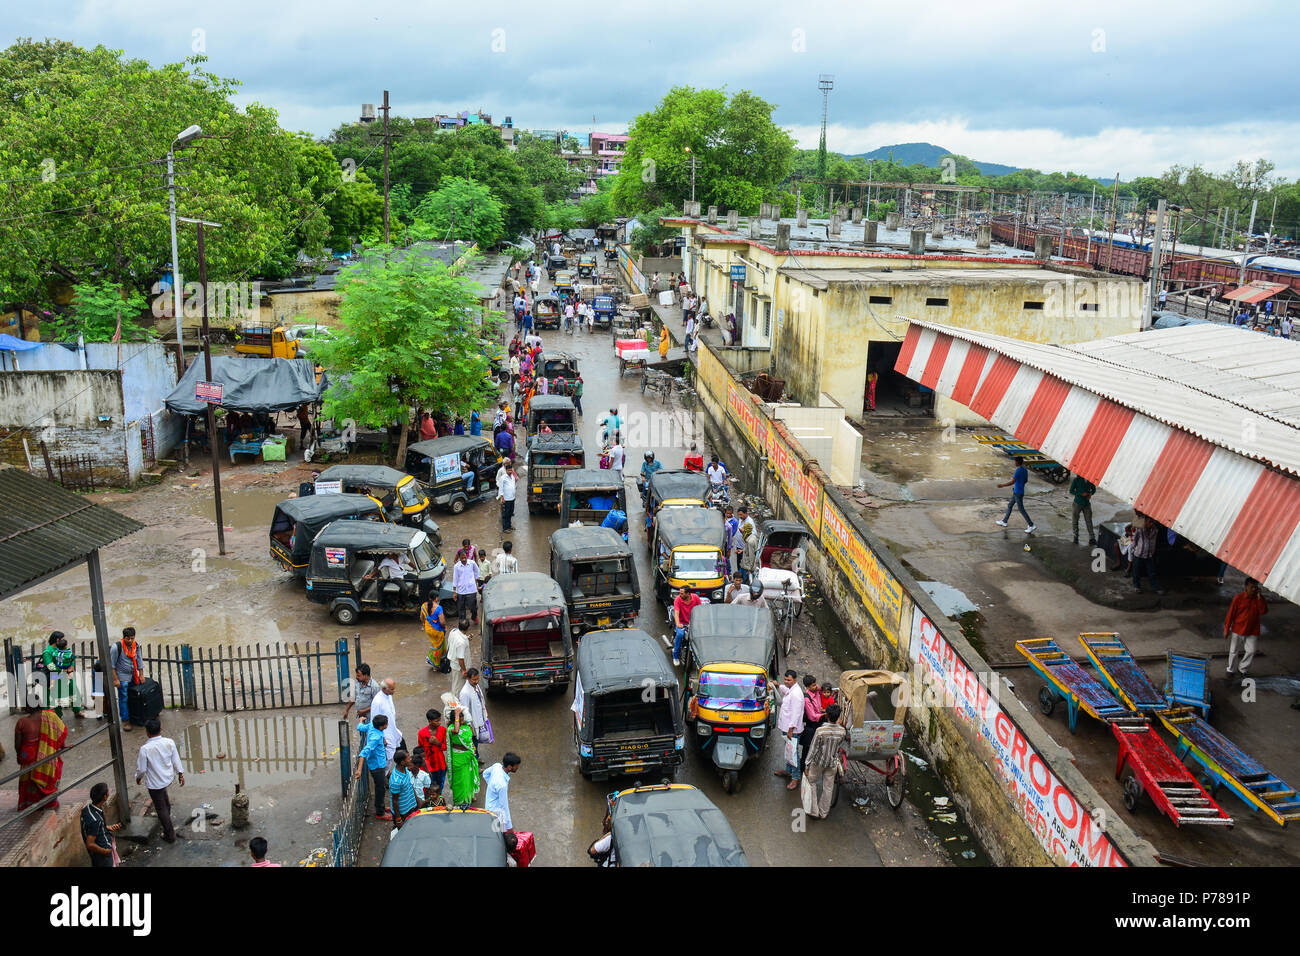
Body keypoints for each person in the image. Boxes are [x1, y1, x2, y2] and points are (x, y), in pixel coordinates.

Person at [136, 718, 184, 842]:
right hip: (167, 777)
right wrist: (180, 773)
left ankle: (169, 834)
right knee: (164, 800)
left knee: (160, 807)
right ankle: (166, 817)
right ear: (161, 729)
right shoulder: (169, 742)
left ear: (147, 732)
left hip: (155, 783)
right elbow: (176, 760)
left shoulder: (145, 749)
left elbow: (141, 769)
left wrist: (138, 778)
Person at [15, 704, 66, 810]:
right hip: (48, 757)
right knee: (46, 782)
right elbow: (61, 731)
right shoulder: (51, 716)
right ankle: (48, 803)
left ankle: (29, 805)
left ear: (28, 707)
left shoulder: (22, 722)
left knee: (29, 783)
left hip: (28, 758)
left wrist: (19, 756)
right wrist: (60, 745)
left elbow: (17, 744)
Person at [802, 704, 848, 819]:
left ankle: (814, 812)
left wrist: (807, 765)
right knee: (828, 787)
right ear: (838, 717)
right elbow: (840, 746)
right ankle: (823, 812)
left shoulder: (820, 730)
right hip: (832, 762)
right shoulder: (842, 731)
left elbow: (813, 749)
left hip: (818, 762)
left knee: (812, 783)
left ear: (826, 715)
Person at [1224, 578, 1268, 683]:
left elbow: (1263, 611)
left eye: (1255, 587)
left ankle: (1243, 669)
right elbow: (1231, 614)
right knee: (1233, 651)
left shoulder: (1258, 599)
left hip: (1253, 630)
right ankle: (1231, 670)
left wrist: (1259, 597)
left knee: (1251, 651)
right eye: (1251, 587)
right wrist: (1227, 629)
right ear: (1246, 587)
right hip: (1238, 628)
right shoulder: (1238, 598)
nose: (1253, 589)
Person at [444, 696, 480, 808]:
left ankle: (469, 796)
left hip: (468, 757)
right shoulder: (451, 729)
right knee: (460, 781)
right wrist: (456, 715)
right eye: (459, 717)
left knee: (468, 778)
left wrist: (473, 751)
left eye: (462, 716)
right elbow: (456, 730)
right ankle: (460, 801)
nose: (461, 718)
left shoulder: (466, 727)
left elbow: (471, 740)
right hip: (458, 759)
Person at [354, 713, 391, 820]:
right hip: (377, 766)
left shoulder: (371, 725)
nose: (387, 724)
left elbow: (360, 727)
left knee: (382, 786)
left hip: (377, 762)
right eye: (386, 723)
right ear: (381, 726)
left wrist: (361, 720)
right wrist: (359, 770)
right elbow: (363, 753)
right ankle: (380, 812)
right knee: (380, 789)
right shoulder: (375, 737)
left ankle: (381, 807)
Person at [774, 670, 805, 789]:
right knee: (788, 751)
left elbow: (796, 714)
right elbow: (785, 690)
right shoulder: (791, 689)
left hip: (792, 730)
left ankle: (795, 778)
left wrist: (791, 729)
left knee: (793, 754)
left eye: (789, 680)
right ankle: (788, 771)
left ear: (795, 680)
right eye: (785, 679)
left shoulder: (796, 694)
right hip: (786, 727)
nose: (786, 682)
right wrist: (778, 685)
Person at [110, 626, 143, 731]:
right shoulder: (116, 647)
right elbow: (112, 665)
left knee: (134, 696)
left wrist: (141, 674)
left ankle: (134, 716)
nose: (130, 641)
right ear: (124, 637)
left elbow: (139, 661)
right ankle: (125, 720)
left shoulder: (136, 646)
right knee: (123, 698)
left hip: (133, 675)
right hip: (122, 677)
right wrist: (116, 679)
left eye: (132, 638)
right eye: (128, 638)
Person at [82, 782, 120, 867]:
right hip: (102, 855)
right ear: (105, 797)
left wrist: (107, 828)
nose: (109, 793)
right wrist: (105, 851)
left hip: (97, 854)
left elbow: (91, 828)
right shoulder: (96, 820)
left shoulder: (87, 809)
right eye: (107, 792)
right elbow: (90, 844)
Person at [994, 456, 1036, 534]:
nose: (1014, 463)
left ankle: (1031, 525)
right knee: (1010, 505)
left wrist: (1002, 485)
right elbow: (1025, 480)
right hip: (1018, 491)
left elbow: (1012, 482)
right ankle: (1004, 521)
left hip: (1018, 493)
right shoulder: (1025, 470)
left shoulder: (1018, 470)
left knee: (1021, 509)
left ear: (1017, 462)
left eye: (1015, 461)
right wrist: (1018, 486)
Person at [483, 753, 520, 834]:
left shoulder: (496, 766)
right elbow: (504, 807)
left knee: (496, 830)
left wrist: (491, 787)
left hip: (489, 804)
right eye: (516, 766)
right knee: (497, 832)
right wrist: (509, 827)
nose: (518, 767)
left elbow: (485, 773)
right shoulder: (502, 785)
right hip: (496, 811)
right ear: (510, 767)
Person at [369, 679, 402, 771]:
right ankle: (384, 778)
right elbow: (374, 722)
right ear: (384, 689)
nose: (394, 691)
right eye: (392, 689)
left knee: (392, 755)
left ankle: (386, 775)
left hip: (392, 730)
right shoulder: (377, 702)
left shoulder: (388, 695)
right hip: (385, 734)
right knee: (387, 758)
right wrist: (382, 738)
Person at [417, 710, 448, 805]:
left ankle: (439, 802)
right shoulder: (422, 733)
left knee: (440, 785)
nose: (439, 722)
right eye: (437, 721)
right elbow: (420, 750)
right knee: (428, 785)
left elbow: (446, 747)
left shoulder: (443, 730)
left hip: (441, 764)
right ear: (429, 721)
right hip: (429, 765)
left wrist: (437, 743)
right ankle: (430, 803)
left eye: (439, 720)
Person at [797, 674, 824, 775]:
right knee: (808, 748)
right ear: (807, 687)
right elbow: (812, 717)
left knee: (816, 747)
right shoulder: (807, 699)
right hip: (812, 726)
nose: (816, 686)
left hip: (819, 722)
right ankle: (803, 768)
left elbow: (821, 688)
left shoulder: (817, 690)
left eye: (816, 684)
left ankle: (811, 766)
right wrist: (824, 714)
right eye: (813, 685)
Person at [461, 668, 490, 759]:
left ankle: (476, 757)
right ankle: (475, 761)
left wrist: (484, 710)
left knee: (476, 742)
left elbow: (480, 699)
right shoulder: (465, 693)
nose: (476, 681)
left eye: (477, 679)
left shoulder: (475, 686)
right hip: (472, 724)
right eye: (474, 680)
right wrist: (469, 726)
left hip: (478, 719)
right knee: (473, 743)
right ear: (468, 679)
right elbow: (465, 711)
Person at [1129, 515, 1162, 593]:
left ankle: (1156, 588)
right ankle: (1136, 587)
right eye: (1149, 522)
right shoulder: (1140, 530)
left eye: (1152, 522)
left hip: (1149, 555)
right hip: (1139, 554)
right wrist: (1134, 549)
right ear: (1145, 521)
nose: (1151, 524)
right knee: (1136, 571)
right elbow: (1135, 540)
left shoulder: (1155, 530)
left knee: (1152, 572)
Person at [671, 586, 703, 666]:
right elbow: (676, 613)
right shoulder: (678, 599)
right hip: (682, 623)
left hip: (693, 623)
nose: (680, 595)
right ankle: (675, 656)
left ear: (688, 594)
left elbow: (700, 610)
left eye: (681, 593)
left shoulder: (695, 598)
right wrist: (678, 623)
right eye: (679, 593)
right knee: (680, 635)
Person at [388, 749, 420, 826]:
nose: (410, 759)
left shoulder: (405, 769)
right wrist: (398, 819)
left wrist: (417, 800)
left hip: (411, 806)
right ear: (402, 762)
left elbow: (410, 785)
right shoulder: (396, 781)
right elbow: (395, 800)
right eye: (408, 758)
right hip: (403, 812)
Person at [343, 662, 378, 727]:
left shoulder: (374, 686)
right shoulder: (358, 683)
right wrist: (347, 710)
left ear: (366, 675)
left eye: (358, 675)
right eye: (356, 675)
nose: (356, 677)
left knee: (369, 735)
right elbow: (353, 698)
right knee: (362, 734)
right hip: (361, 717)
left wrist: (363, 711)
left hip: (371, 718)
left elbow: (377, 705)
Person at [452, 550, 480, 626]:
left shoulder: (472, 563)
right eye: (462, 558)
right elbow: (455, 579)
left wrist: (476, 582)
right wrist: (454, 592)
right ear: (459, 558)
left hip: (471, 589)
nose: (464, 559)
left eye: (465, 557)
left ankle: (474, 617)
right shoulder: (456, 566)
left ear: (467, 556)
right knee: (461, 609)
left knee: (473, 607)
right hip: (461, 591)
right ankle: (463, 623)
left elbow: (477, 573)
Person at [1069, 472, 1097, 547]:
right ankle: (1076, 536)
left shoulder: (1090, 480)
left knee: (1089, 521)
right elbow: (1071, 491)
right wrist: (1080, 493)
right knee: (1075, 520)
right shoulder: (1076, 480)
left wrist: (1091, 494)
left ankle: (1092, 538)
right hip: (1077, 503)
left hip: (1087, 504)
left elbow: (1094, 489)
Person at [447, 618, 472, 698]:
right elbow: (460, 659)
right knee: (458, 688)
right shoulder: (461, 643)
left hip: (454, 664)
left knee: (456, 685)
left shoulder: (453, 631)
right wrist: (464, 670)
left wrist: (467, 638)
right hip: (459, 668)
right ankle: (456, 706)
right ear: (468, 628)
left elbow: (454, 642)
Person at [422, 596, 447, 670]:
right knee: (438, 647)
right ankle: (435, 664)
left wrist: (424, 624)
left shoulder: (423, 605)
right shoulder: (439, 608)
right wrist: (444, 628)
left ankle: (432, 659)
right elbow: (442, 622)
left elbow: (421, 617)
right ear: (436, 598)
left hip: (428, 629)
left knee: (435, 644)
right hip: (437, 631)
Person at [497, 460, 518, 533]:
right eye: (508, 470)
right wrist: (502, 497)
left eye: (511, 470)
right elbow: (501, 488)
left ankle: (509, 525)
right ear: (506, 470)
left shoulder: (512, 476)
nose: (510, 472)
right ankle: (505, 528)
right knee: (506, 514)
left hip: (512, 498)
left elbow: (514, 485)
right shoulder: (503, 478)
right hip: (506, 499)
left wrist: (514, 494)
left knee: (510, 513)